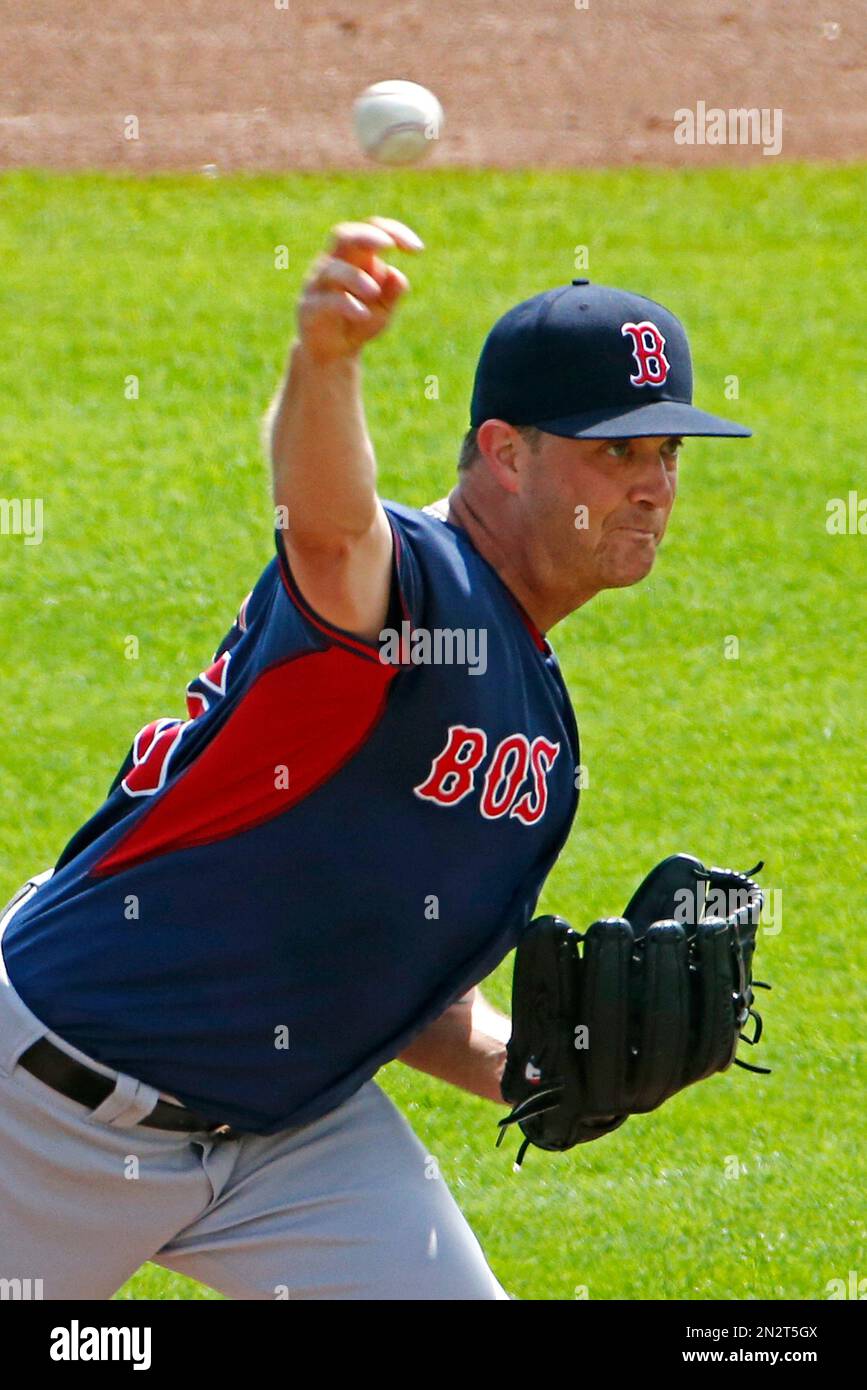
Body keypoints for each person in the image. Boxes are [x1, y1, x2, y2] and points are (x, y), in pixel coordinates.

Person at [0, 217, 750, 1301]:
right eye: (615, 450)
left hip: (295, 1136)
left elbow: (376, 967)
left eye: (666, 452)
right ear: (505, 451)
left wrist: (522, 1068)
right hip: (53, 1115)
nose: (653, 485)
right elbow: (328, 531)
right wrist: (325, 362)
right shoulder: (416, 592)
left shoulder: (535, 711)